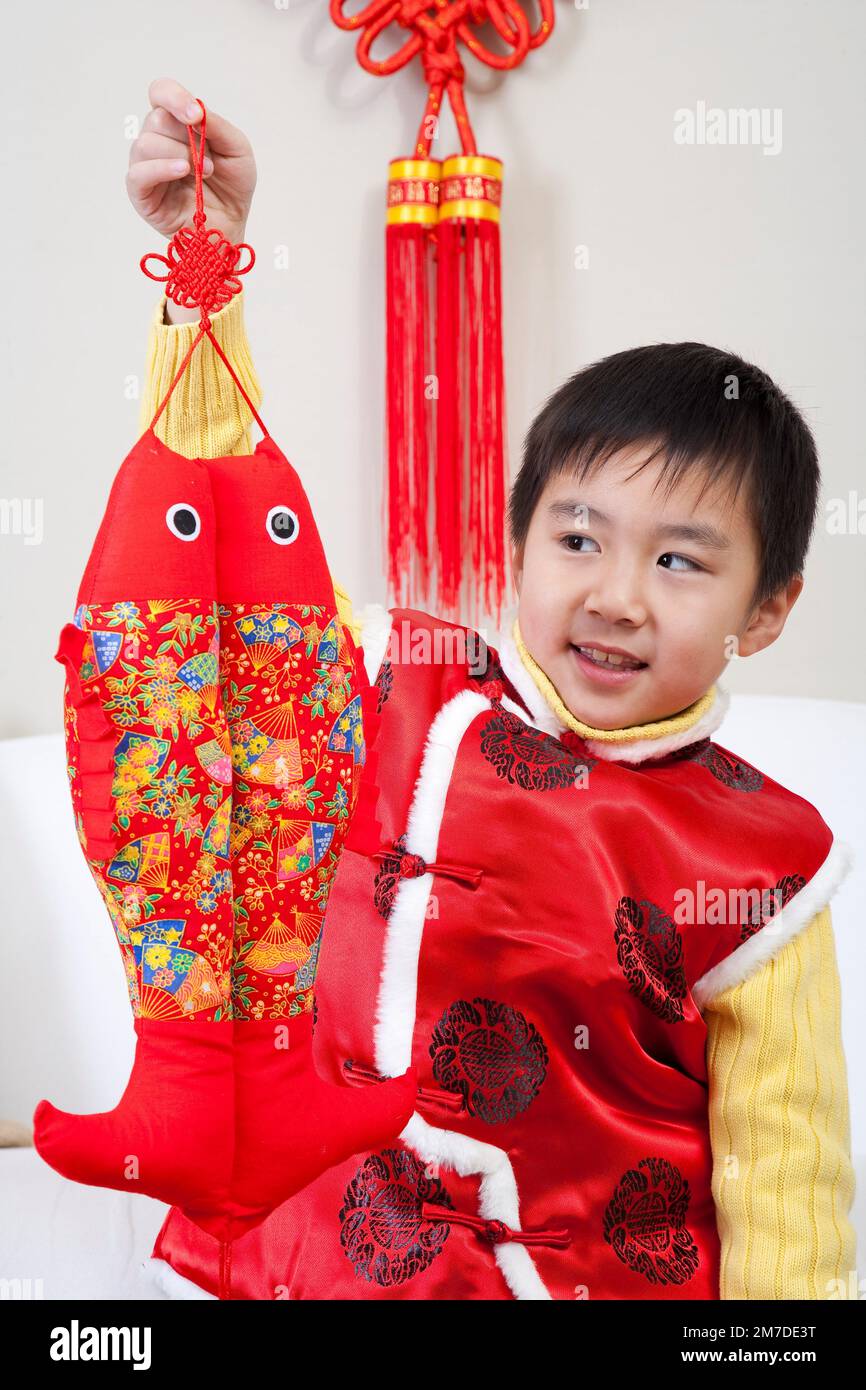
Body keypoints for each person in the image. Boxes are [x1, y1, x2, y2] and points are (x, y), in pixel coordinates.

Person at [130, 79, 857, 1301]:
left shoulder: (766, 868)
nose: (616, 594)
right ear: (515, 545)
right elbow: (213, 570)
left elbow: (784, 1182)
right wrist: (199, 260)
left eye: (679, 561)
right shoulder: (391, 684)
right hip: (301, 1259)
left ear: (767, 607)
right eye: (577, 538)